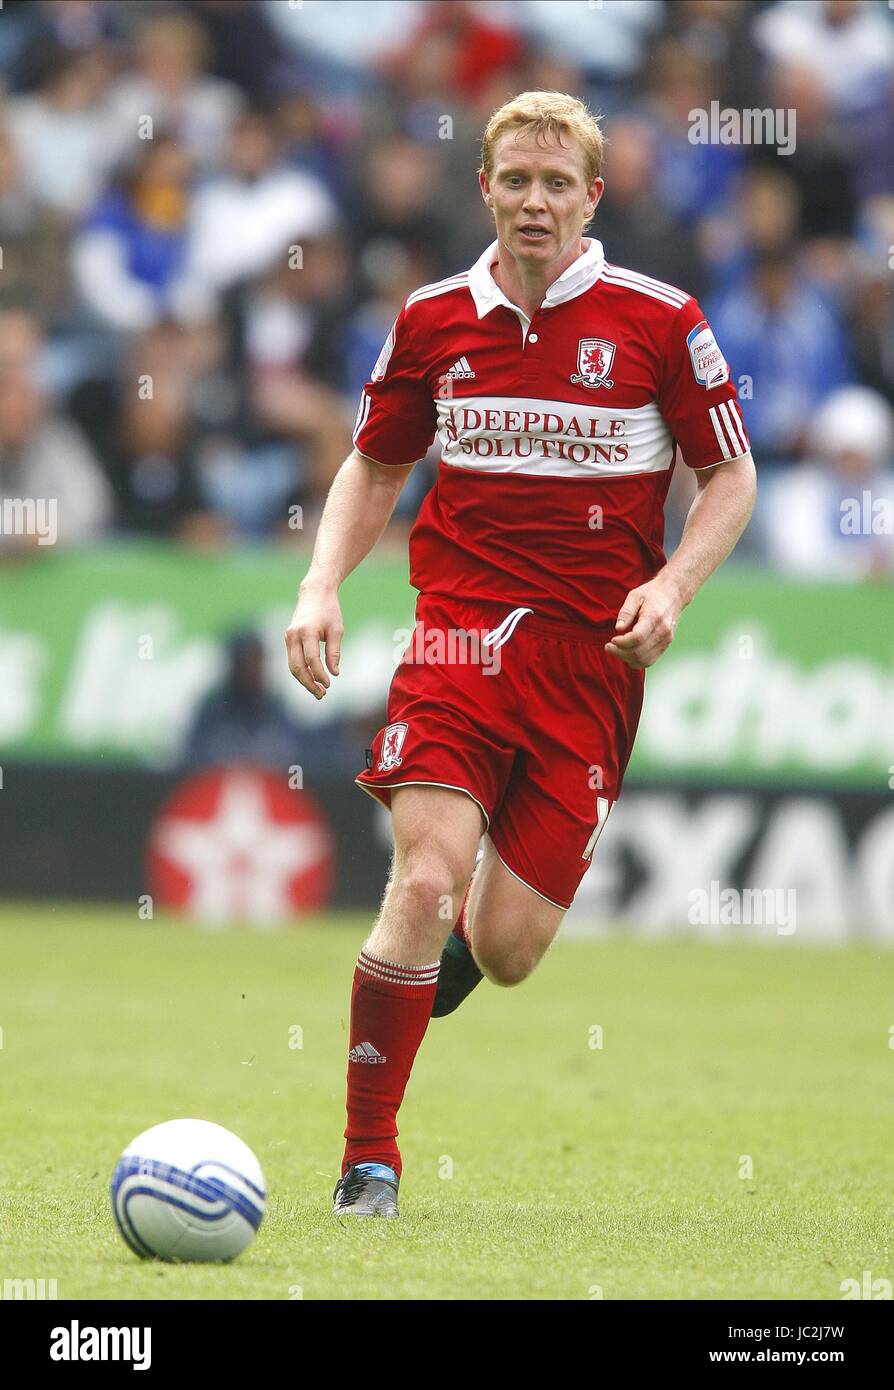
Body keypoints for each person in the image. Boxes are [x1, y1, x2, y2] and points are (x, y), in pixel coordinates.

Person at [284, 91, 756, 1218]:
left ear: (594, 198)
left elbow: (731, 477)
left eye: (557, 184)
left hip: (590, 671)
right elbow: (376, 466)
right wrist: (318, 584)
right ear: (485, 188)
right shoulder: (435, 318)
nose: (534, 202)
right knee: (428, 875)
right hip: (456, 638)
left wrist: (670, 584)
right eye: (515, 180)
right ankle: (369, 1160)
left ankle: (436, 962)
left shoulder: (659, 321)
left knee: (505, 950)